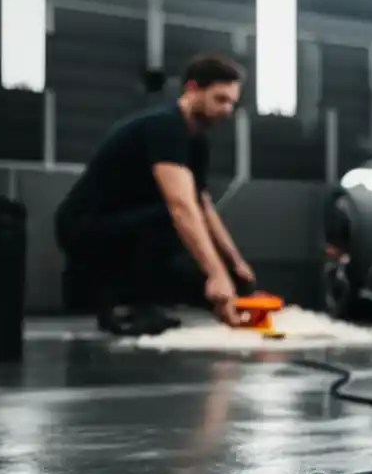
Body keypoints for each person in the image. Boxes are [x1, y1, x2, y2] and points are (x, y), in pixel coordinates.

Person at [55, 53, 255, 336]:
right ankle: (124, 305)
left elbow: (203, 205)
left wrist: (234, 264)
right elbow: (181, 207)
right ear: (193, 88)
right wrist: (216, 275)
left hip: (132, 224)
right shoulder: (165, 127)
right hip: (86, 228)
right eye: (220, 99)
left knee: (228, 275)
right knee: (175, 220)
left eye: (232, 103)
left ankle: (148, 302)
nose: (227, 110)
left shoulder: (196, 141)